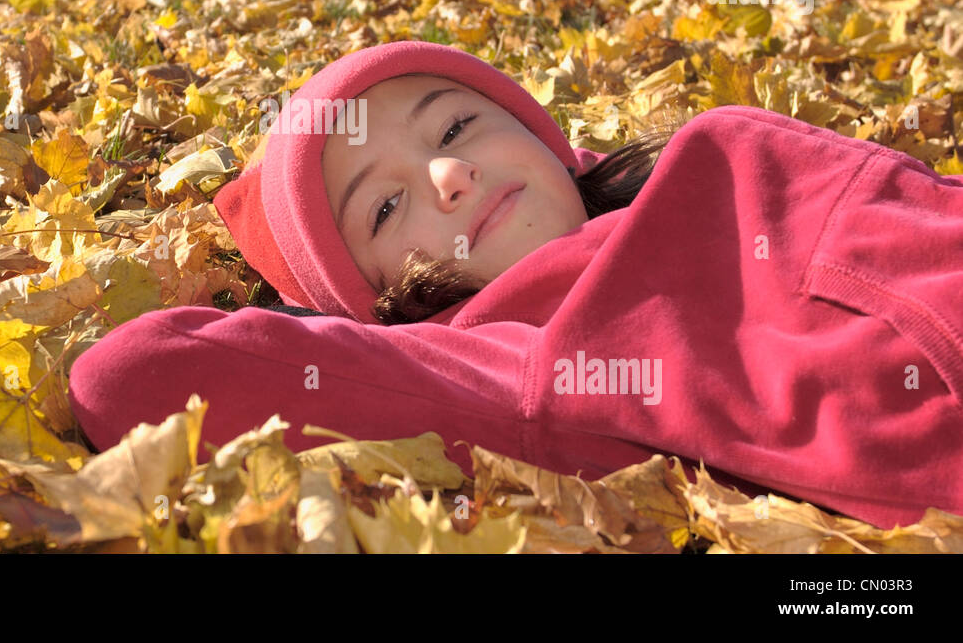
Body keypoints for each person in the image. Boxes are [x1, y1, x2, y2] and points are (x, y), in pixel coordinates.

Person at [68, 39, 963, 529]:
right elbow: (131, 376)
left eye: (457, 124)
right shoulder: (510, 357)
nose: (449, 176)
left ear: (541, 134)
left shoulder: (702, 163)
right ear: (371, 303)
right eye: (383, 210)